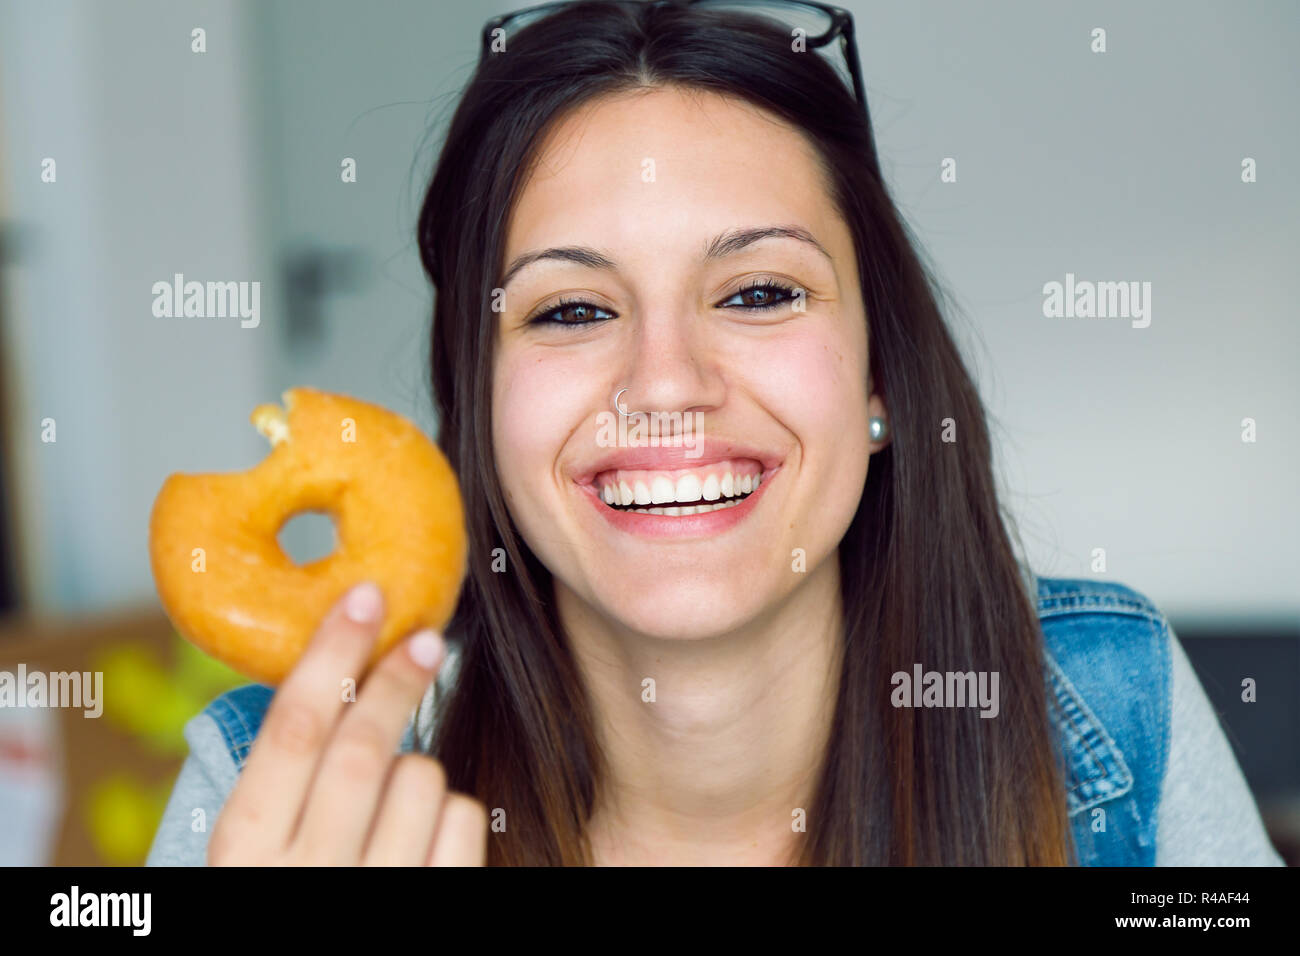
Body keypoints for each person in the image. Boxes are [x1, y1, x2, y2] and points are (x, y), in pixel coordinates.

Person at [147, 0, 1285, 866]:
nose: (665, 381)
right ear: (478, 404)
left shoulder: (1110, 704)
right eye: (573, 309)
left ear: (879, 372)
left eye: (756, 292)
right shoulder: (265, 790)